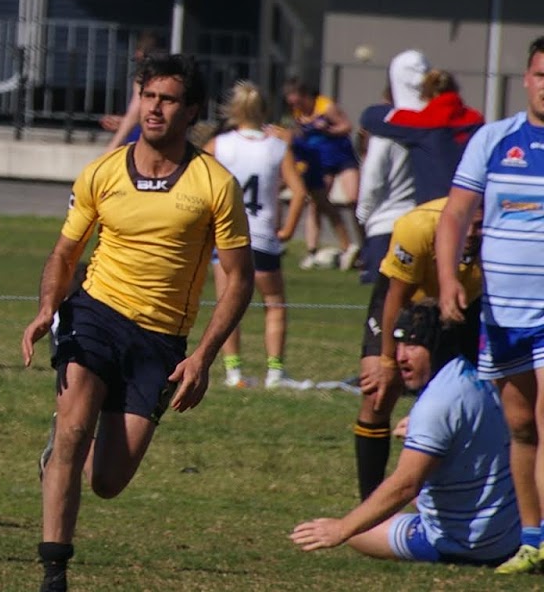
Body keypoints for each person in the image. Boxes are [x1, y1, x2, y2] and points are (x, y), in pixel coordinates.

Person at [21, 53, 252, 592]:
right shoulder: (102, 172)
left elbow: (238, 280)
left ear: (190, 110)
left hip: (160, 338)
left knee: (106, 482)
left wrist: (203, 356)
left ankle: (66, 451)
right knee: (75, 429)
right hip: (94, 314)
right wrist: (47, 308)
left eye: (168, 99)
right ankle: (54, 572)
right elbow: (64, 252)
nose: (154, 108)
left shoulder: (215, 183)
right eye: (148, 96)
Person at [291, 301, 519, 566]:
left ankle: (452, 549)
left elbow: (405, 485)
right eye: (398, 345)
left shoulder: (437, 404)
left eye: (412, 345)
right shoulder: (476, 378)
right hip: (511, 531)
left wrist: (341, 529)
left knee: (359, 534)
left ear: (436, 345)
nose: (401, 356)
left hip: (471, 542)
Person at [435, 35, 544, 574]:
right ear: (525, 79)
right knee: (522, 429)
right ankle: (531, 539)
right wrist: (450, 277)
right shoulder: (494, 139)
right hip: (502, 313)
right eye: (542, 75)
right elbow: (455, 215)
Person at [354, 197, 484, 499]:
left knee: (469, 396)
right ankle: (369, 503)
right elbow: (396, 297)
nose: (470, 234)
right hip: (407, 298)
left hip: (467, 301)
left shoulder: (504, 230)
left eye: (477, 226)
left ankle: (458, 496)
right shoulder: (417, 226)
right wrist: (387, 360)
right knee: (378, 391)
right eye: (464, 226)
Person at [203, 81, 307, 389]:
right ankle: (275, 371)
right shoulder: (276, 147)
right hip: (262, 237)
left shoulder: (220, 145)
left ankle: (233, 372)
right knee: (274, 304)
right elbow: (300, 192)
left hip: (226, 237)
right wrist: (287, 229)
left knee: (227, 304)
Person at [354, 51, 427, 288]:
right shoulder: (435, 129)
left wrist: (362, 216)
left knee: (383, 310)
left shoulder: (384, 133)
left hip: (386, 226)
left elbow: (372, 182)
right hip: (421, 224)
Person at [360, 66, 483, 206]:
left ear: (425, 93)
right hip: (474, 204)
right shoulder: (476, 120)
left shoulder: (423, 123)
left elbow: (371, 117)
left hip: (435, 207)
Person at [283, 78, 363, 270]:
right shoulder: (298, 112)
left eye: (297, 101)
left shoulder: (326, 107)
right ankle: (312, 251)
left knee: (354, 200)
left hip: (342, 157)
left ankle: (364, 248)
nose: (295, 106)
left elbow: (346, 126)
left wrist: (328, 129)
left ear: (305, 96)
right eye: (292, 103)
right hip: (320, 161)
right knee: (317, 204)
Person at [99, 30, 164, 151]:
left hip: (143, 141)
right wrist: (124, 121)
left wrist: (111, 148)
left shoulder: (145, 77)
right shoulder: (174, 82)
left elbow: (136, 110)